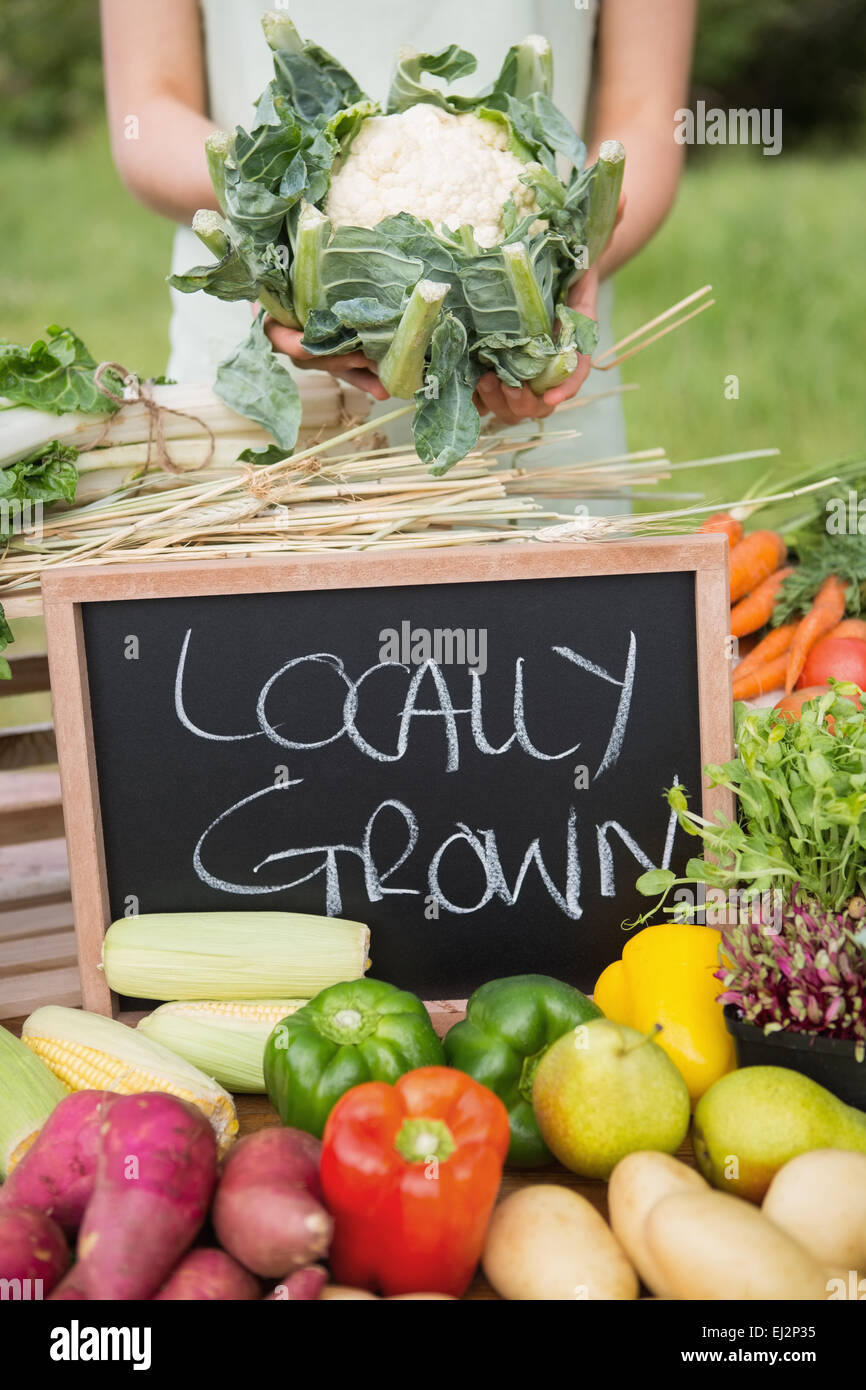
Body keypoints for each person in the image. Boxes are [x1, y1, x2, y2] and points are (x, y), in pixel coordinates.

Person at [101, 0, 695, 504]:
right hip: (263, 411)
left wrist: (570, 269)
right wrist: (279, 232)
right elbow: (145, 112)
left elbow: (647, 115)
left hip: (531, 424)